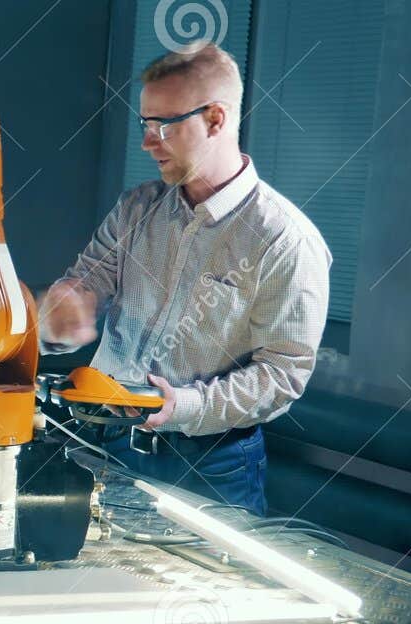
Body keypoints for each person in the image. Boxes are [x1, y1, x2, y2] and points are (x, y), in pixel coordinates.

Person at [39, 43, 332, 515]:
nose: (147, 141)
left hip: (210, 470)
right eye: (144, 124)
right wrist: (62, 312)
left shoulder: (284, 240)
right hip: (107, 447)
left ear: (215, 119)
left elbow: (282, 375)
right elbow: (84, 284)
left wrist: (183, 406)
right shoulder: (137, 209)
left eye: (162, 126)